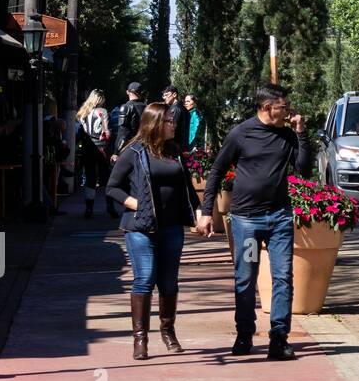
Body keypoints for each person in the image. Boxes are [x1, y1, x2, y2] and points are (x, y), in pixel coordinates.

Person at [197, 84, 312, 361]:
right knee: (246, 279)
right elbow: (216, 171)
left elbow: (304, 170)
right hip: (247, 221)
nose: (288, 111)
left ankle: (279, 338)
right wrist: (206, 210)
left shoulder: (287, 134)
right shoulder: (241, 133)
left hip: (280, 219)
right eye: (283, 106)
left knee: (283, 276)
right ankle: (244, 333)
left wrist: (301, 133)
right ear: (266, 107)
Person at [108, 102, 205, 360]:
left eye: (173, 121)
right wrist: (136, 204)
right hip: (141, 227)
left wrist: (199, 214)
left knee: (169, 281)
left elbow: (186, 188)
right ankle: (140, 339)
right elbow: (113, 187)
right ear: (155, 124)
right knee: (145, 278)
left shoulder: (175, 152)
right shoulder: (134, 151)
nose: (174, 125)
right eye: (169, 121)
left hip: (172, 227)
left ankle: (168, 332)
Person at [78, 89, 120, 219]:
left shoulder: (82, 112)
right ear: (100, 99)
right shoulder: (102, 112)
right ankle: (110, 206)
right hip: (102, 149)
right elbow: (106, 133)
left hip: (87, 148)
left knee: (90, 177)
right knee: (107, 178)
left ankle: (89, 208)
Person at [112, 82, 145, 163]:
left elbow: (123, 133)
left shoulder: (126, 107)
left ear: (127, 92)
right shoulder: (147, 107)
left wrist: (116, 152)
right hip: (144, 146)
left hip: (129, 147)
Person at [162, 85, 190, 152]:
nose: (164, 98)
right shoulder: (184, 109)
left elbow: (172, 131)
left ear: (174, 94)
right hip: (182, 146)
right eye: (163, 96)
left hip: (174, 148)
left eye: (166, 95)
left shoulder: (174, 109)